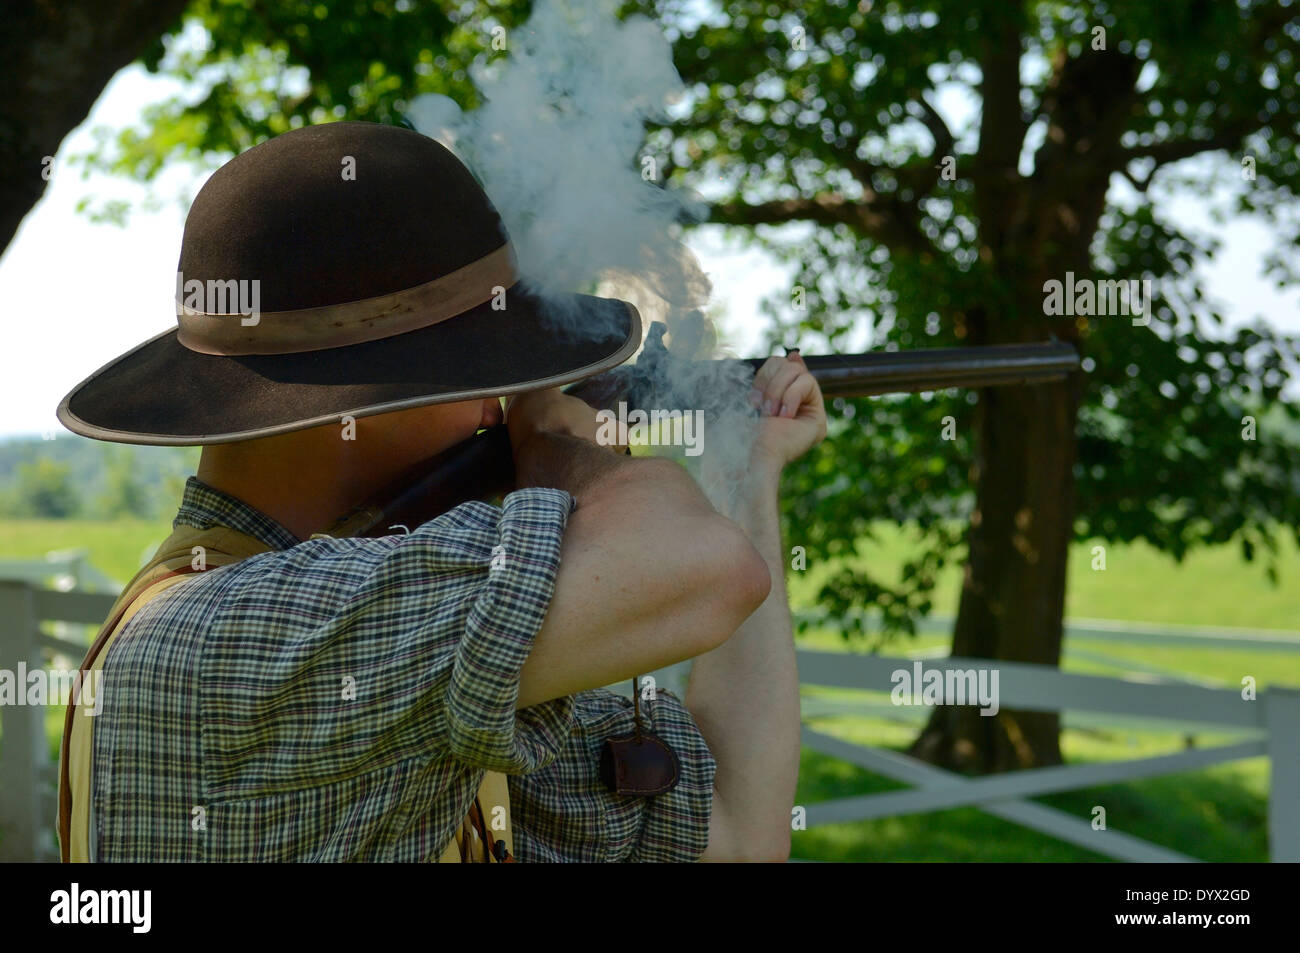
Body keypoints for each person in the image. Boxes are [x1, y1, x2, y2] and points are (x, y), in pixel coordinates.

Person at [55, 120, 826, 862]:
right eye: (481, 375)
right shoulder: (226, 631)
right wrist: (558, 446)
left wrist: (745, 470)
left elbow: (739, 830)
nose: (499, 403)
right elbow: (703, 566)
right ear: (343, 404)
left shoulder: (403, 663)